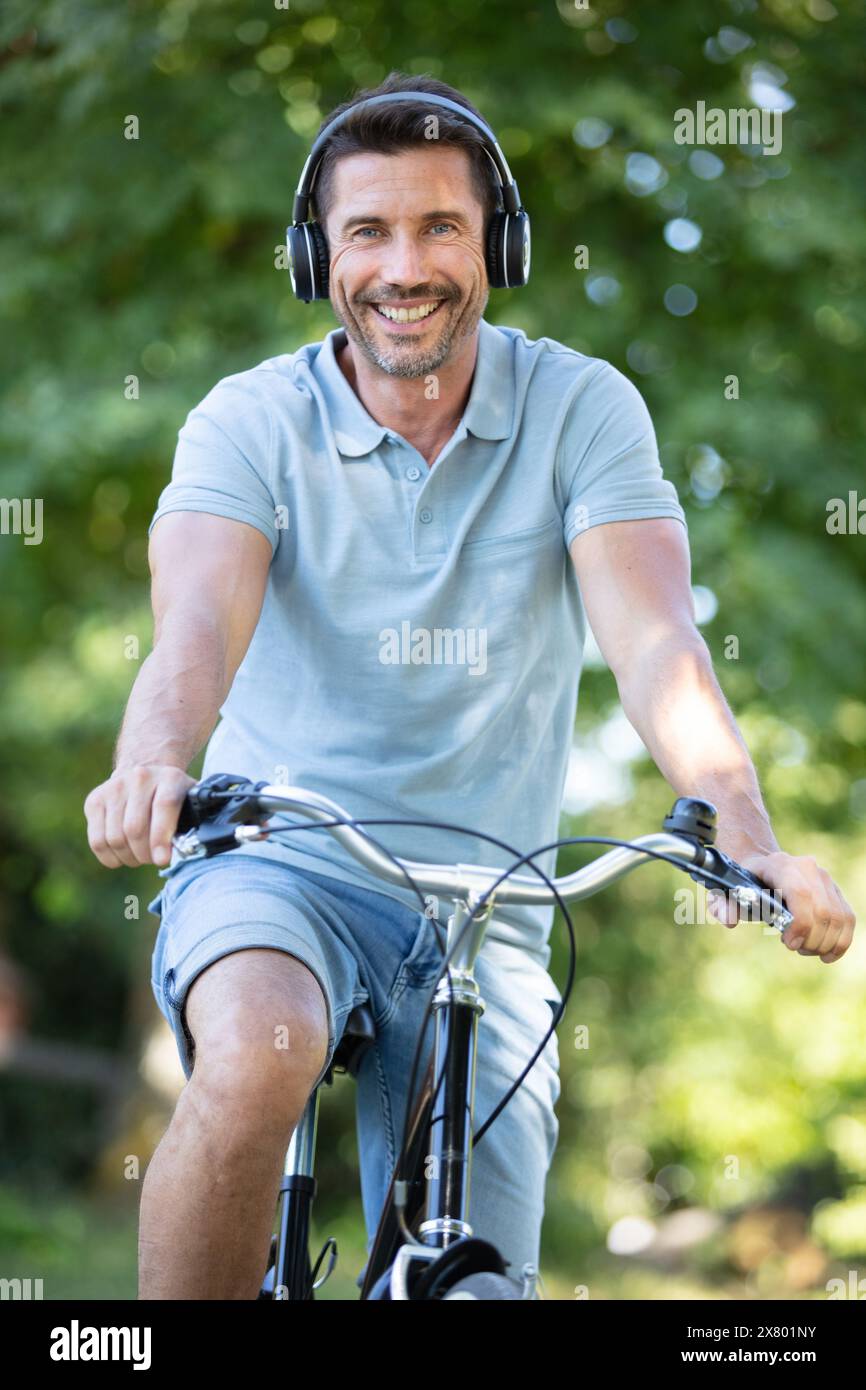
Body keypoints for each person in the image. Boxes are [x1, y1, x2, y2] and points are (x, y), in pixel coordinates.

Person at [83, 71, 856, 1300]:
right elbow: (193, 626)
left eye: (440, 225)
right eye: (367, 231)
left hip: (488, 900)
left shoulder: (581, 412)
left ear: (495, 245)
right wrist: (152, 763)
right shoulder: (249, 423)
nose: (405, 265)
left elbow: (658, 644)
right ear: (315, 257)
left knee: (483, 1281)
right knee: (255, 1058)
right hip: (279, 858)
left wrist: (747, 842)